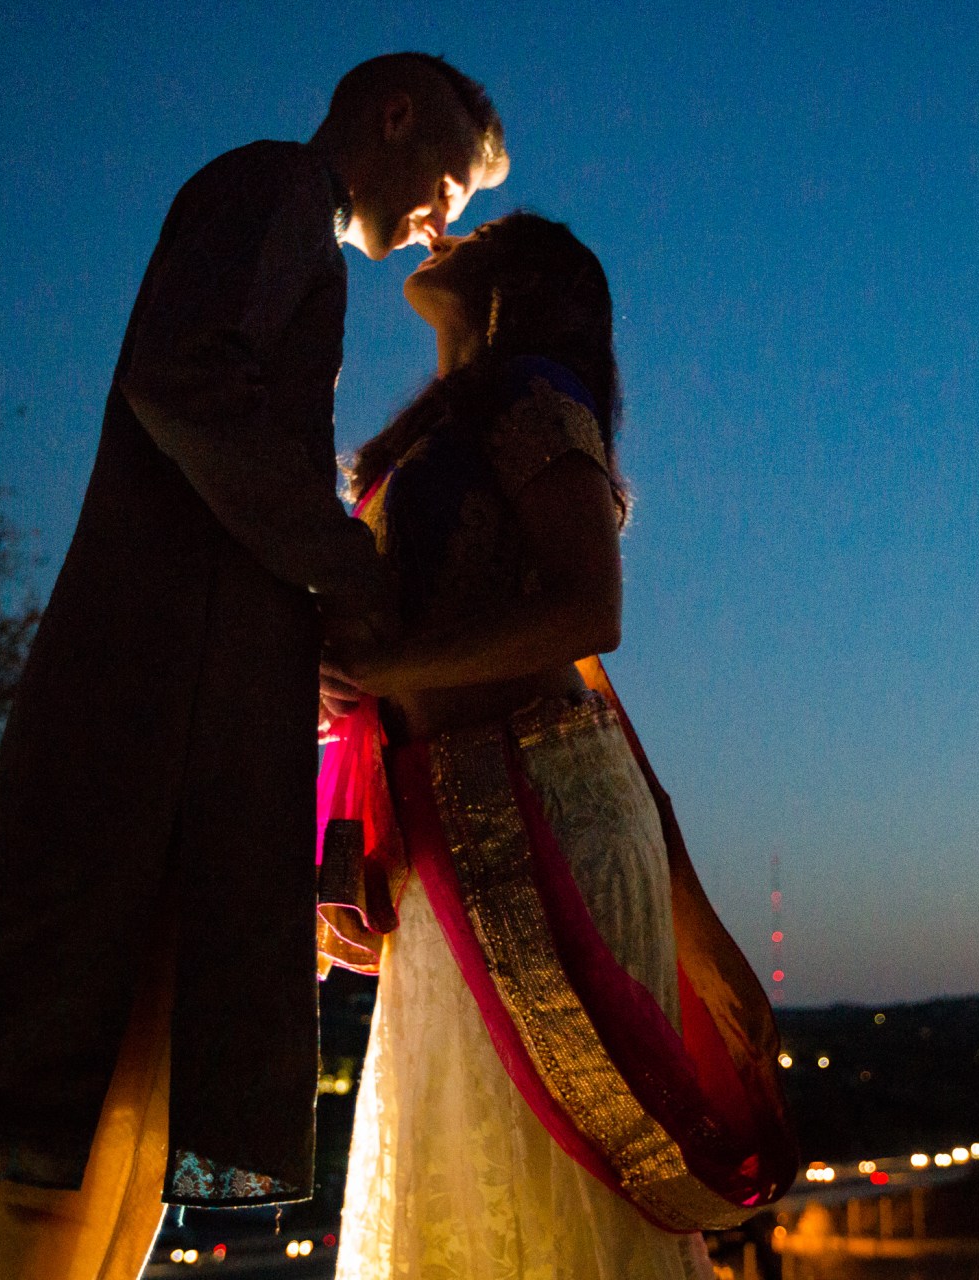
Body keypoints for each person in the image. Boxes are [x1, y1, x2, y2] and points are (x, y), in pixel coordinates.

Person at [0, 54, 506, 1278]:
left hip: (195, 715)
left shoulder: (290, 222)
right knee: (83, 1092)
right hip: (149, 719)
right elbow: (182, 378)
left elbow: (220, 467)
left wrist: (292, 649)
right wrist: (346, 572)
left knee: (138, 1109)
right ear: (396, 113)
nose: (441, 222)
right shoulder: (268, 188)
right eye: (450, 183)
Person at [315, 213, 797, 1279]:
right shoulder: (436, 437)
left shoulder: (533, 396)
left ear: (525, 283)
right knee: (466, 1155)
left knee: (551, 1179)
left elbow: (588, 611)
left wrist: (387, 670)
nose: (446, 229)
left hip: (546, 807)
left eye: (479, 229)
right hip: (442, 825)